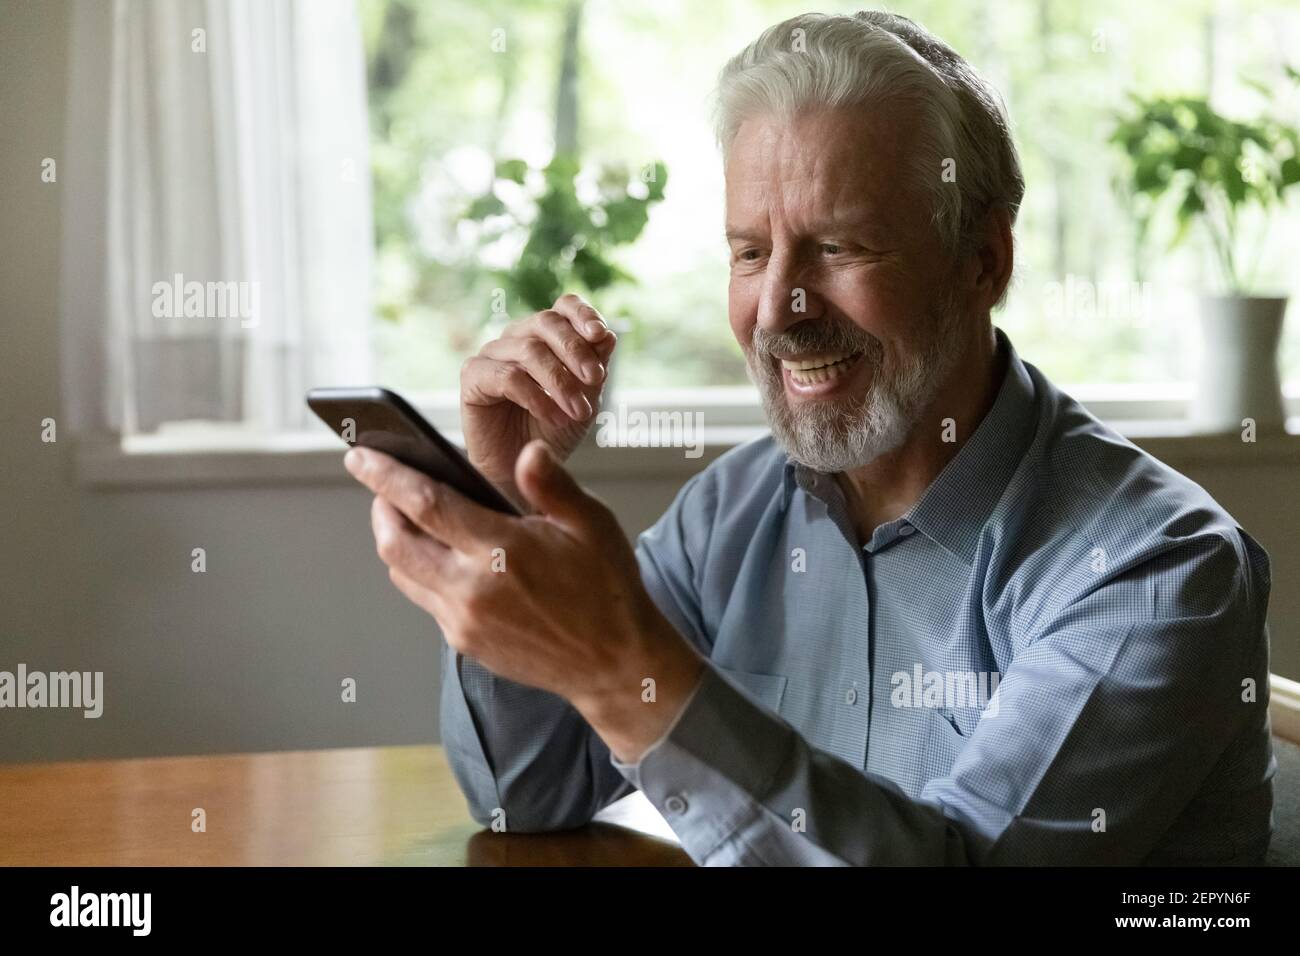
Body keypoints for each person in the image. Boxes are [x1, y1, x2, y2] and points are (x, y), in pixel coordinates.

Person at [344, 11, 1275, 865]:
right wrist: (506, 501)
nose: (780, 310)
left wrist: (629, 672)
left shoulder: (1153, 572)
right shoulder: (735, 512)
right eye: (751, 252)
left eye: (840, 247)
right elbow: (527, 798)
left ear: (983, 260)